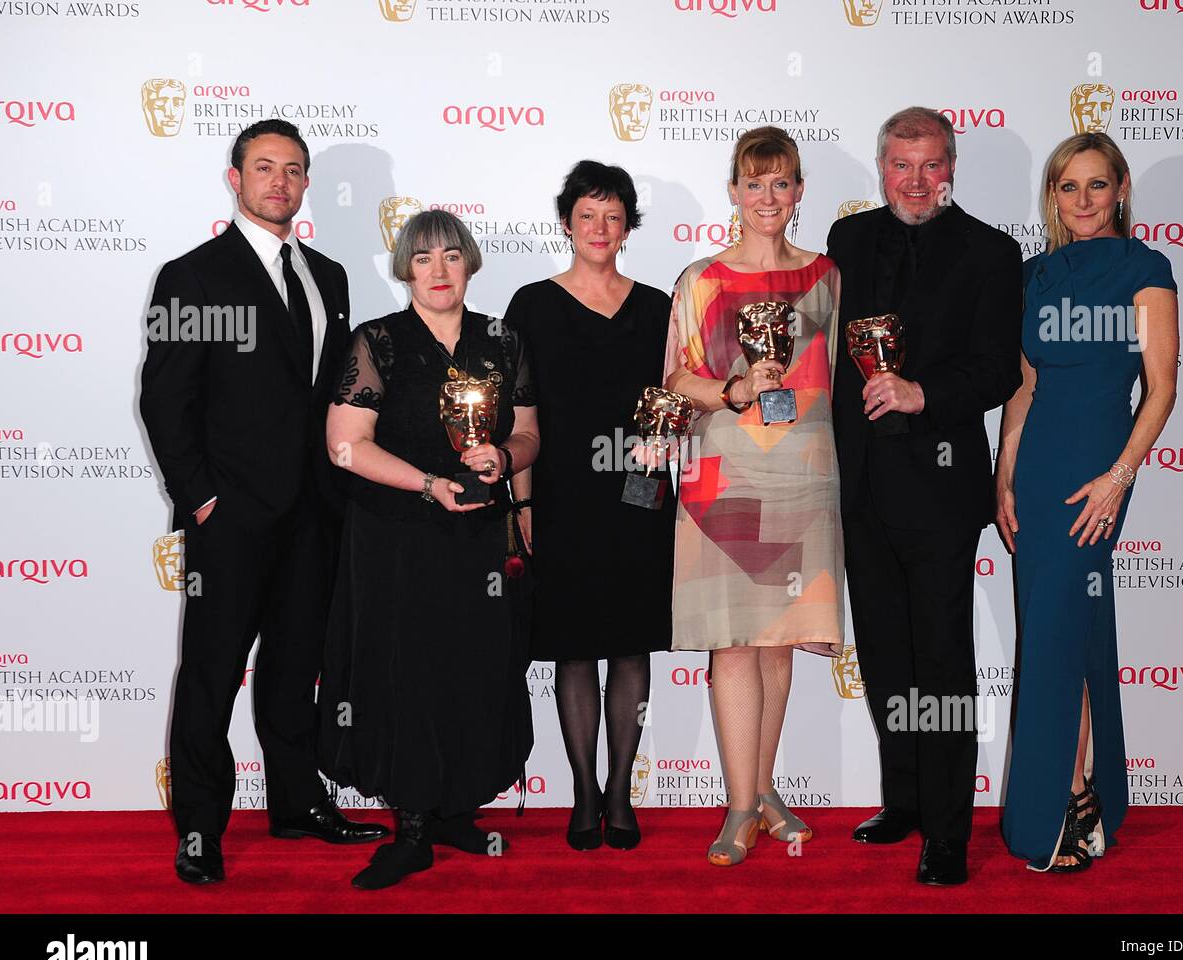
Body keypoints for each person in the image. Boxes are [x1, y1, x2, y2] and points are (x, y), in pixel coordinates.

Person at [140, 119, 387, 886]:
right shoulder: (194, 276)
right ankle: (200, 828)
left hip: (316, 512)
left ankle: (296, 801)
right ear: (235, 178)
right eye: (264, 167)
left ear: (307, 184)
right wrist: (202, 498)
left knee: (296, 667)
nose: (279, 182)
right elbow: (163, 401)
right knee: (213, 671)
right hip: (233, 515)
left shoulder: (330, 275)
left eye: (293, 170)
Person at [828, 106, 1022, 885]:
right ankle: (904, 798)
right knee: (884, 653)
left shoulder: (992, 251)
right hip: (861, 485)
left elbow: (999, 370)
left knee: (941, 663)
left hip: (940, 492)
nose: (916, 180)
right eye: (902, 165)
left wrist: (922, 393)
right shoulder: (848, 240)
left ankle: (948, 833)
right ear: (883, 168)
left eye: (931, 164)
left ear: (953, 167)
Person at [319, 210, 538, 890]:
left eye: (450, 256)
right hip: (397, 538)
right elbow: (344, 444)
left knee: (475, 665)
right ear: (405, 268)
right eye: (423, 259)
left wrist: (503, 456)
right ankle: (411, 827)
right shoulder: (378, 342)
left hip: (479, 540)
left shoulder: (501, 339)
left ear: (470, 262)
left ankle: (453, 810)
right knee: (405, 672)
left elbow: (530, 432)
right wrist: (429, 483)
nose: (438, 270)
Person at [998, 133, 1178, 873]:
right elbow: (1025, 385)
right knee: (1060, 629)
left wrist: (1118, 478)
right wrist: (1003, 475)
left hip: (1099, 474)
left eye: (1096, 186)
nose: (1083, 201)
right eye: (1069, 188)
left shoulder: (1146, 269)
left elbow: (1161, 387)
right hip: (1038, 470)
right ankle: (1081, 790)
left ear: (1121, 188)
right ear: (1053, 195)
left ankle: (1063, 800)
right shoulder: (1033, 274)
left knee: (1055, 637)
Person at [665, 127, 845, 867]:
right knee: (734, 646)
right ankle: (740, 807)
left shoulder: (827, 277)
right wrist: (734, 389)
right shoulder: (699, 279)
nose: (767, 197)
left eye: (781, 183)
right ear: (733, 191)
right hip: (722, 475)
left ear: (798, 192)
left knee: (778, 648)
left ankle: (766, 790)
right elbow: (676, 381)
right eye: (753, 182)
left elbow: (838, 377)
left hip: (805, 474)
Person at [505, 161, 673, 852]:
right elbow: (517, 415)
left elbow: (677, 397)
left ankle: (621, 792)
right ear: (566, 222)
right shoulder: (531, 305)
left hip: (639, 499)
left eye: (613, 215)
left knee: (631, 646)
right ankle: (581, 792)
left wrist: (668, 443)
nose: (600, 228)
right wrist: (523, 507)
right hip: (562, 497)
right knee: (573, 650)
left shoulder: (662, 305)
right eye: (587, 215)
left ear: (628, 224)